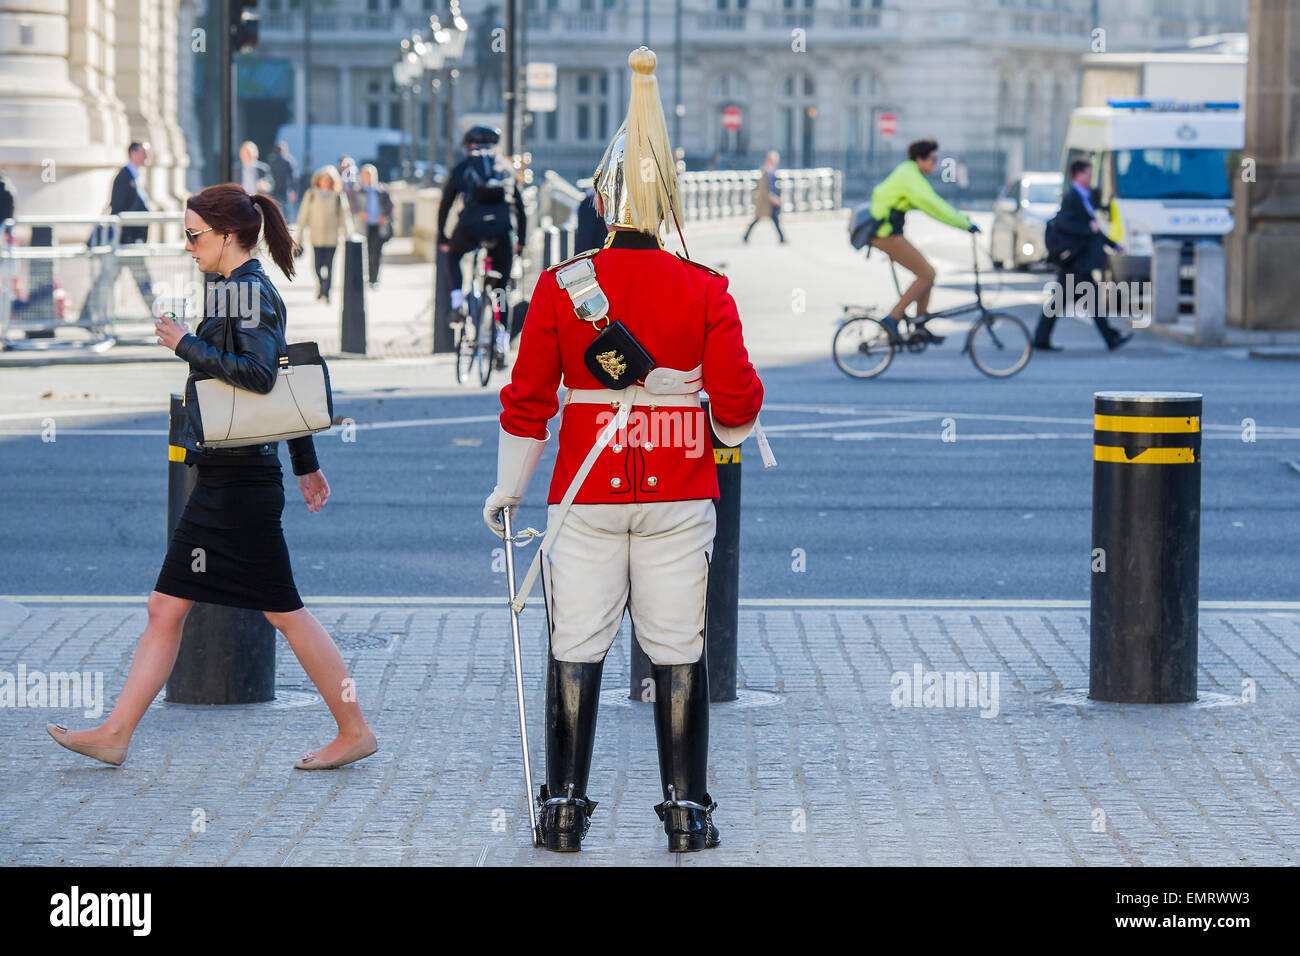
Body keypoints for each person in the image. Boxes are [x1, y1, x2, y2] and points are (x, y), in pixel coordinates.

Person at [483, 47, 765, 854]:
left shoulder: (562, 284)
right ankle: (688, 816)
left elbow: (529, 402)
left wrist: (508, 490)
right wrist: (708, 414)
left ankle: (562, 813)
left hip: (586, 495)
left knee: (575, 647)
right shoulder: (706, 288)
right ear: (671, 200)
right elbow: (739, 406)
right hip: (679, 492)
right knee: (679, 650)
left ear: (603, 203)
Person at [47, 183, 377, 772]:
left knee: (284, 612)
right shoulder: (236, 289)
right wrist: (306, 465)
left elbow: (258, 379)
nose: (188, 245)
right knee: (167, 608)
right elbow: (282, 383)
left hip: (239, 487)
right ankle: (117, 733)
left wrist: (185, 344)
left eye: (195, 235)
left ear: (228, 236)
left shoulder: (243, 293)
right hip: (232, 478)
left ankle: (353, 729)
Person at [863, 138, 978, 345]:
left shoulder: (910, 172)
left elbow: (935, 205)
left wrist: (963, 222)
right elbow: (934, 206)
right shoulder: (910, 177)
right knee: (927, 274)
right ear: (920, 159)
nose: (936, 163)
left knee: (927, 274)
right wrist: (965, 224)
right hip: (885, 235)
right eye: (933, 159)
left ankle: (920, 323)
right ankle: (892, 319)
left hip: (888, 233)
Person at [1032, 159, 1132, 352]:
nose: (1090, 177)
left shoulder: (1084, 197)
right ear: (1078, 175)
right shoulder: (1072, 198)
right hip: (1075, 262)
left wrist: (1114, 244)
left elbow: (1095, 230)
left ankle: (1041, 338)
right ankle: (1110, 339)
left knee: (1063, 302)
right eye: (1088, 173)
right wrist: (1088, 229)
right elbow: (1068, 224)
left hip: (1077, 262)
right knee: (1088, 302)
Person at [437, 125, 527, 316]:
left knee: (453, 255)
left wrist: (442, 237)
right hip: (503, 230)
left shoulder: (463, 168)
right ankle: (501, 333)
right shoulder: (507, 168)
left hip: (471, 229)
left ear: (469, 145)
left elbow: (446, 204)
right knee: (502, 286)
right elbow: (520, 208)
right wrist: (521, 242)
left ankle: (457, 300)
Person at [79, 142, 155, 320]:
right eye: (144, 153)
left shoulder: (136, 176)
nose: (147, 157)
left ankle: (86, 316)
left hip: (128, 242)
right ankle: (160, 317)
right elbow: (118, 210)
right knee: (137, 280)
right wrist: (130, 236)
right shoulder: (124, 177)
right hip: (124, 241)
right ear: (133, 153)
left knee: (108, 279)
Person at [296, 165, 353, 302]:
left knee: (329, 265)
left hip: (332, 238)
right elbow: (303, 217)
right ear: (318, 180)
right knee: (316, 266)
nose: (325, 181)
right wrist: (299, 238)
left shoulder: (338, 196)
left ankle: (327, 292)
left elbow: (344, 217)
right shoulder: (311, 195)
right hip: (316, 237)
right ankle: (321, 285)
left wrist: (348, 235)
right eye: (323, 178)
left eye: (328, 179)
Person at [353, 164, 393, 288]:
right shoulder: (358, 191)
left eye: (369, 175)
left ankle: (374, 278)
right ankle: (364, 277)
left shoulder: (381, 190)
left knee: (376, 253)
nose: (368, 177)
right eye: (365, 175)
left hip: (378, 225)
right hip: (364, 226)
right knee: (365, 253)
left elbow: (390, 206)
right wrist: (359, 213)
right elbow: (352, 206)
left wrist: (384, 216)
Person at [742, 151, 785, 244]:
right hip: (766, 201)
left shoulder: (772, 171)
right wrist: (772, 198)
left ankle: (782, 238)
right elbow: (763, 189)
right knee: (759, 219)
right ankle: (746, 236)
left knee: (774, 219)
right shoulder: (765, 172)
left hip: (770, 201)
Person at [267, 141, 298, 218]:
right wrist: (294, 190)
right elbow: (293, 177)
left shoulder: (272, 160)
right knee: (285, 210)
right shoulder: (288, 161)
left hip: (277, 188)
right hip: (283, 188)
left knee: (277, 208)